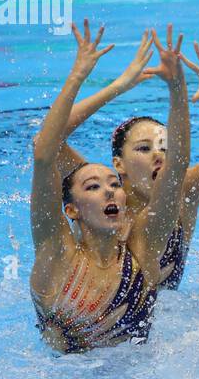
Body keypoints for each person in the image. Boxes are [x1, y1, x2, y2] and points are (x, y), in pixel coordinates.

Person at [55, 29, 199, 290]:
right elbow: (49, 142)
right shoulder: (92, 195)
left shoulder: (186, 190)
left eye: (165, 148)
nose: (158, 155)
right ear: (119, 164)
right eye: (144, 148)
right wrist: (118, 87)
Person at [29, 21, 189, 352]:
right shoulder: (55, 251)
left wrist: (177, 88)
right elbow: (44, 153)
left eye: (114, 184)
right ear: (70, 209)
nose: (109, 191)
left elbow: (176, 170)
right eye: (92, 186)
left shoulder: (143, 251)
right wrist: (91, 79)